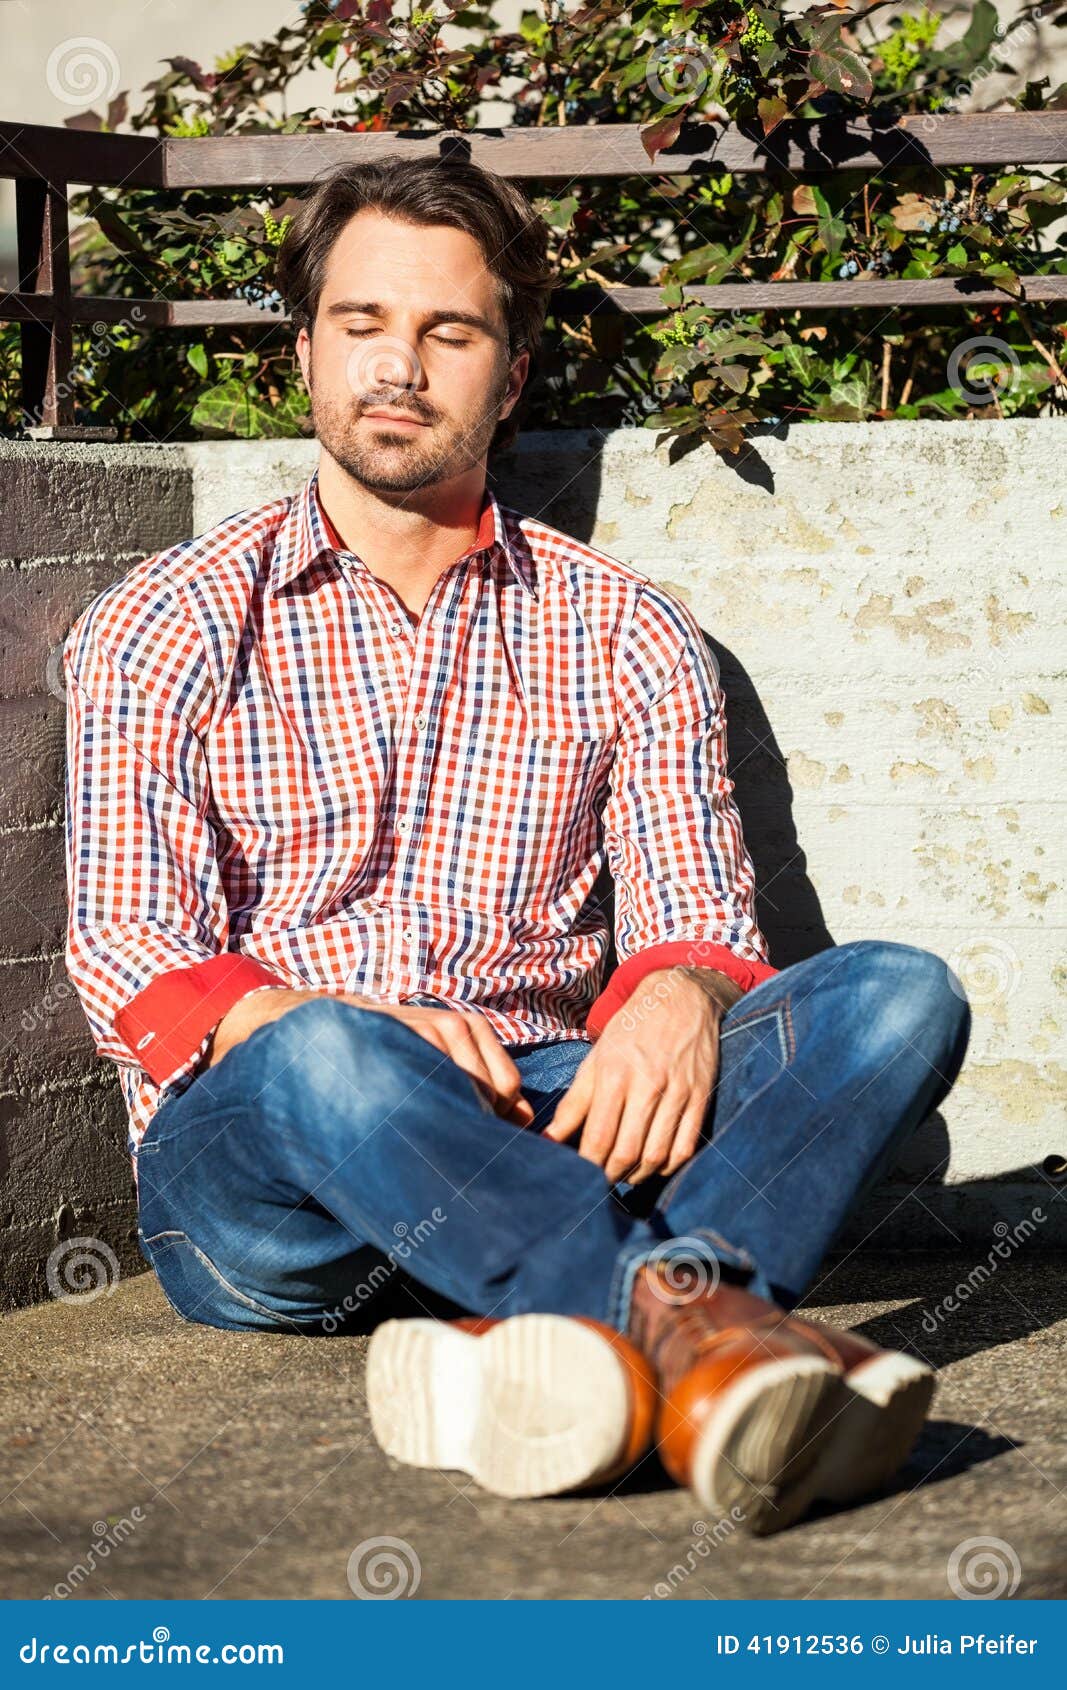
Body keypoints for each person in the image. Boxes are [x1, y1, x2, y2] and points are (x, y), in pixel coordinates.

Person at [63, 155, 970, 1535]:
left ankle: (536, 1347)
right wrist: (344, 1026)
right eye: (361, 323)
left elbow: (699, 912)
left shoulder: (624, 628)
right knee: (325, 1052)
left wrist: (679, 993)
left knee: (897, 995)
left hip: (552, 1114)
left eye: (449, 332)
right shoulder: (169, 616)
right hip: (287, 1168)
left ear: (512, 372)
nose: (398, 365)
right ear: (303, 350)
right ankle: (703, 1335)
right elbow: (127, 947)